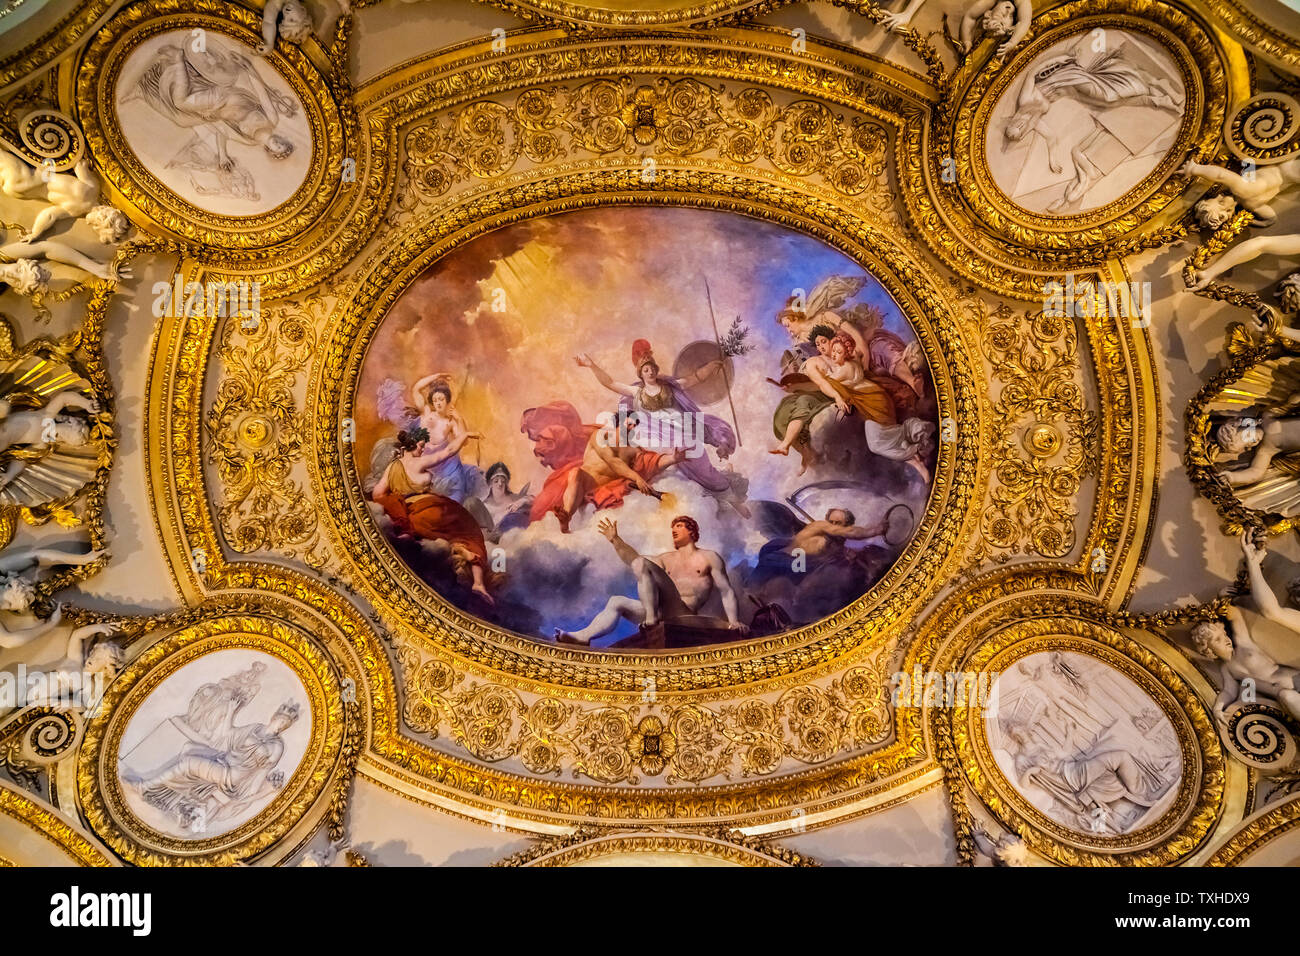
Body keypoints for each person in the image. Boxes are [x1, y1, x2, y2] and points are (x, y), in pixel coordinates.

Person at [575, 340, 750, 517]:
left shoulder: (671, 386)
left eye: (651, 369)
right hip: (657, 438)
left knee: (704, 468)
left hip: (681, 431)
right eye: (645, 370)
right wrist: (591, 365)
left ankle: (733, 499)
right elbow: (610, 382)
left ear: (656, 370)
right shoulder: (635, 392)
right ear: (641, 374)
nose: (649, 372)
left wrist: (712, 366)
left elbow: (695, 378)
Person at [555, 515, 747, 645]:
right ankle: (583, 637)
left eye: (679, 526)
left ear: (692, 531)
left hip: (684, 612)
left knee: (642, 565)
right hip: (660, 611)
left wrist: (734, 622)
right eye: (673, 527)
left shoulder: (709, 557)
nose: (674, 530)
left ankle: (651, 620)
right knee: (617, 600)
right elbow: (634, 560)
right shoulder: (665, 558)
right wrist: (616, 540)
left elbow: (726, 590)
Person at [371, 428, 492, 602]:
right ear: (411, 445)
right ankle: (478, 582)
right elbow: (448, 451)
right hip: (434, 509)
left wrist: (397, 504)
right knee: (470, 530)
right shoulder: (418, 462)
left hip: (412, 517)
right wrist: (464, 435)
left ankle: (458, 549)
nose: (421, 450)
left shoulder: (392, 467)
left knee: (441, 539)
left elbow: (377, 494)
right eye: (420, 446)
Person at [528, 410, 685, 532]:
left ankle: (568, 517)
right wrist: (637, 478)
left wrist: (673, 458)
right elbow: (613, 461)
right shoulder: (600, 436)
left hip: (601, 492)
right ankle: (566, 517)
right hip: (581, 482)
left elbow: (651, 463)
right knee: (575, 472)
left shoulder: (632, 450)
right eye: (628, 424)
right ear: (618, 423)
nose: (631, 428)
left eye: (634, 425)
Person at [408, 374, 479, 501]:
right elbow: (416, 389)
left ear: (447, 400)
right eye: (435, 400)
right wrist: (438, 376)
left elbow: (464, 441)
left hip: (447, 466)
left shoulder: (450, 422)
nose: (438, 403)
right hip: (426, 464)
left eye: (441, 399)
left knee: (453, 500)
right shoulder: (427, 413)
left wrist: (460, 419)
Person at [1212, 412, 1300, 487]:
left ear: (1244, 424)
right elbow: (1256, 472)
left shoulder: (1267, 417)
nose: (1251, 444)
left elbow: (1291, 402)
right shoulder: (1266, 450)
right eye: (1246, 447)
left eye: (1246, 437)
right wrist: (1233, 477)